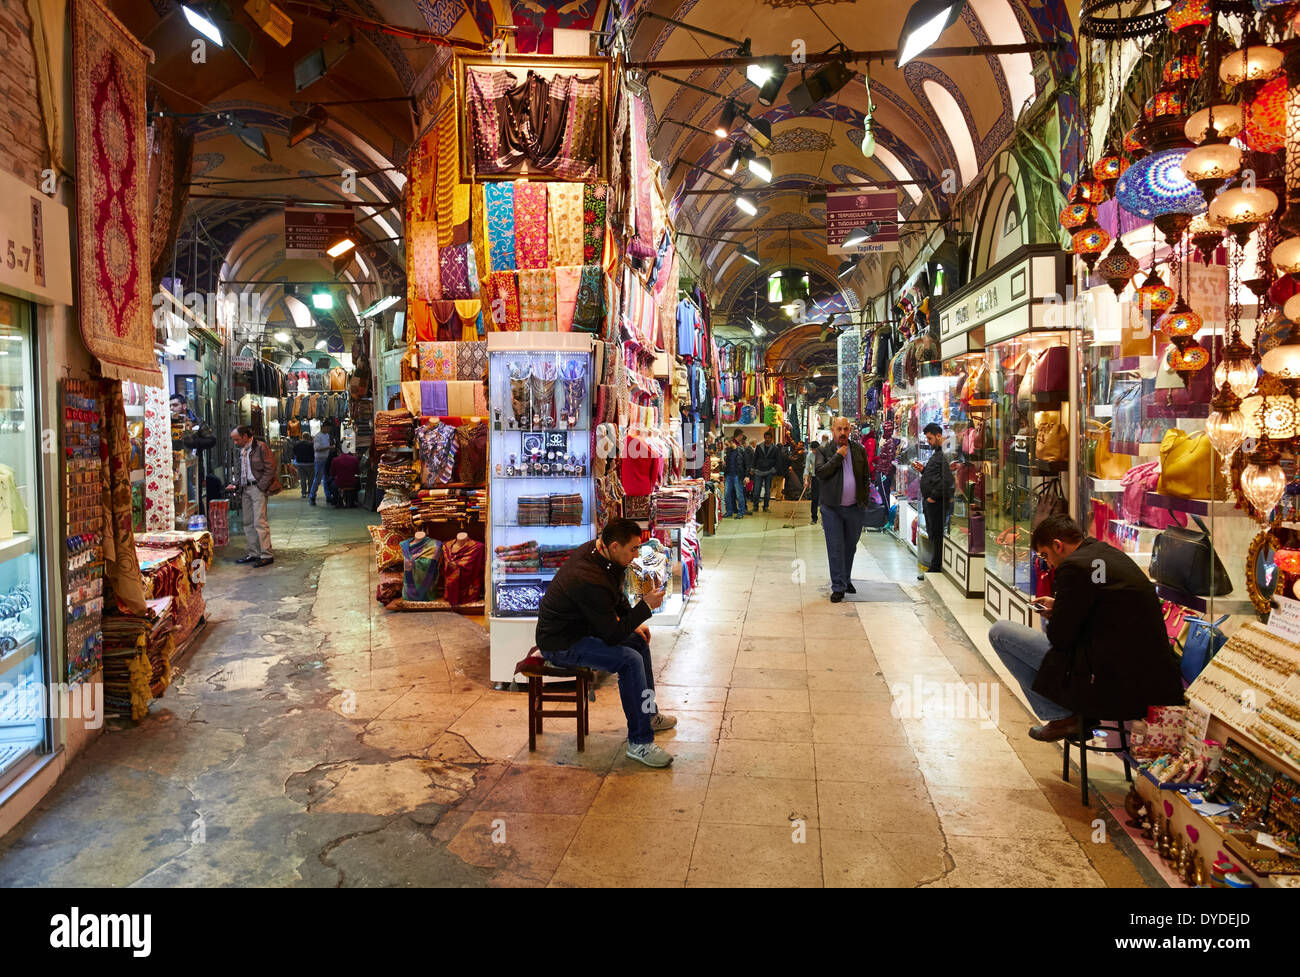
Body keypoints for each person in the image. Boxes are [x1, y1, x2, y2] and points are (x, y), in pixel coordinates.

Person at [988, 515, 1184, 741]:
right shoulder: (1104, 553)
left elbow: (1060, 638)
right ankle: (1069, 714)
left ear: (1057, 545)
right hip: (1147, 675)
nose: (1048, 564)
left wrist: (1058, 613)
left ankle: (1063, 717)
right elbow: (1100, 603)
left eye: (1046, 556)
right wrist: (1061, 606)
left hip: (1110, 680)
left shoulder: (1073, 567)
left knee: (1000, 633)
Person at [535, 518, 677, 768]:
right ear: (613, 546)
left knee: (639, 642)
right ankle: (640, 743)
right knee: (630, 660)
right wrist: (644, 607)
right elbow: (612, 634)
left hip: (582, 629)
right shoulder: (587, 576)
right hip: (561, 643)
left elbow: (615, 592)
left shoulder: (601, 555)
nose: (635, 556)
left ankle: (648, 714)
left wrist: (633, 622)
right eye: (632, 549)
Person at [813, 417, 869, 602]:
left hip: (855, 507)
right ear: (833, 429)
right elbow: (820, 472)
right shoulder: (823, 450)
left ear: (850, 429)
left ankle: (845, 578)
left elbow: (865, 477)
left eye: (846, 429)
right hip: (831, 508)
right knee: (836, 547)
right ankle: (838, 586)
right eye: (839, 429)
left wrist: (864, 501)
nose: (843, 432)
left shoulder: (859, 450)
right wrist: (839, 456)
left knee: (850, 547)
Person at [226, 426, 277, 567]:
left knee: (259, 522)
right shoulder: (241, 450)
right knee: (247, 522)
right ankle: (253, 553)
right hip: (245, 488)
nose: (235, 443)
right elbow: (241, 470)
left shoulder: (260, 447)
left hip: (257, 488)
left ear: (245, 436)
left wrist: (261, 486)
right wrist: (236, 484)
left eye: (237, 439)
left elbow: (271, 467)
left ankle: (266, 554)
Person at [912, 422, 955, 574]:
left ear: (938, 435)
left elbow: (948, 480)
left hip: (937, 503)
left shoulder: (944, 453)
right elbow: (937, 477)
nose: (928, 442)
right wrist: (924, 470)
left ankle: (936, 566)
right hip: (933, 502)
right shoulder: (938, 453)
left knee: (937, 535)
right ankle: (935, 564)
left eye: (930, 439)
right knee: (934, 534)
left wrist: (933, 497)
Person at [752, 430, 781, 512]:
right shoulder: (759, 447)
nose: (767, 439)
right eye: (766, 438)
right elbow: (755, 458)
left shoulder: (775, 448)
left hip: (769, 471)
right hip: (758, 471)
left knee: (768, 491)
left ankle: (766, 507)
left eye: (769, 438)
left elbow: (778, 460)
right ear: (764, 438)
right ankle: (755, 506)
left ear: (771, 439)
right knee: (756, 490)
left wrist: (774, 469)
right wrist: (752, 468)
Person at [722, 432, 749, 519]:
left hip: (738, 475)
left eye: (727, 444)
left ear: (731, 442)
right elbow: (728, 463)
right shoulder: (729, 451)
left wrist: (747, 476)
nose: (726, 446)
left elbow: (746, 464)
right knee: (727, 494)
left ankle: (741, 512)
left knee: (739, 494)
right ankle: (729, 511)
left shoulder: (741, 450)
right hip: (729, 475)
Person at [805, 433, 830, 524]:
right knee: (814, 498)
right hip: (815, 478)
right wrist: (806, 480)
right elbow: (807, 468)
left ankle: (825, 519)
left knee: (824, 499)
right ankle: (814, 518)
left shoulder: (825, 453)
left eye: (815, 449)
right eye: (812, 449)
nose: (814, 451)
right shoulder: (809, 456)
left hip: (824, 478)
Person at [309, 419, 334, 506]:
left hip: (326, 459)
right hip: (319, 460)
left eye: (329, 429)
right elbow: (317, 448)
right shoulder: (317, 436)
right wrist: (328, 448)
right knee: (317, 479)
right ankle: (312, 497)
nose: (328, 430)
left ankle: (328, 496)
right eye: (327, 428)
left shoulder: (327, 435)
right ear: (323, 427)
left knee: (326, 479)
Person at [292, 432, 315, 499]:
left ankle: (303, 493)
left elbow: (294, 452)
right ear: (308, 437)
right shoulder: (311, 444)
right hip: (310, 463)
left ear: (302, 437)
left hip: (300, 463)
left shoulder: (297, 444)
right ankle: (310, 492)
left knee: (302, 479)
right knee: (310, 479)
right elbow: (314, 453)